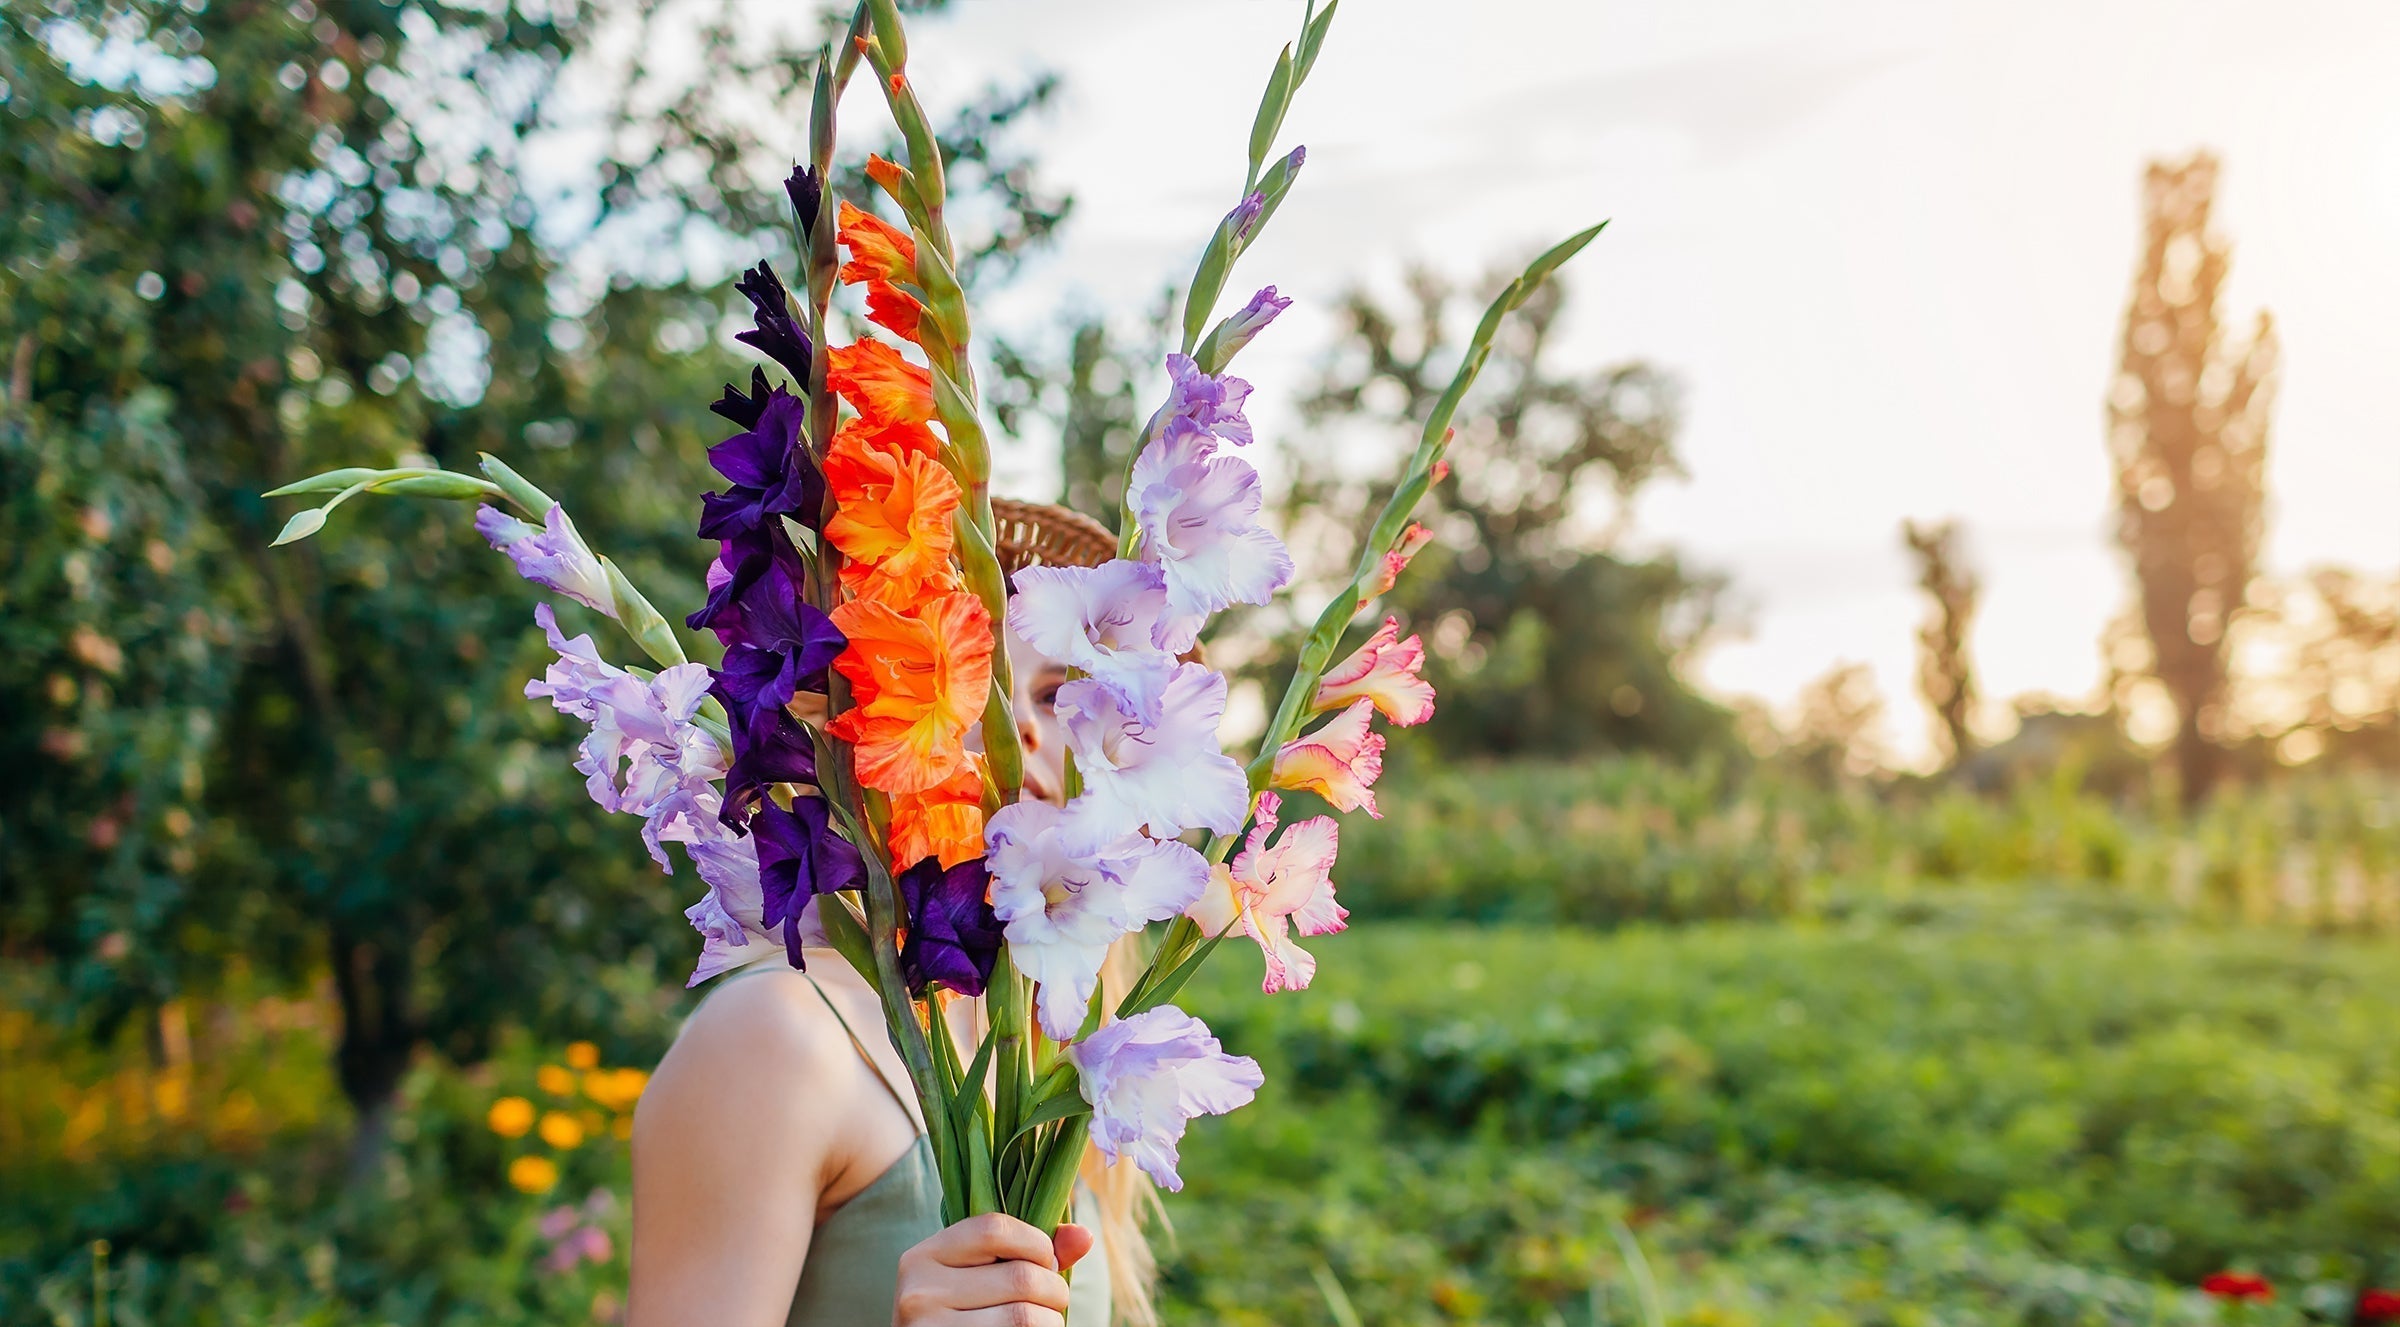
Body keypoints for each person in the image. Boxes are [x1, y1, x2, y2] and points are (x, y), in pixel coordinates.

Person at [627, 633, 1155, 1327]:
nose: (1017, 722)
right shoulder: (778, 1038)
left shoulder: (1052, 1055)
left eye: (1058, 694)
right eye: (970, 678)